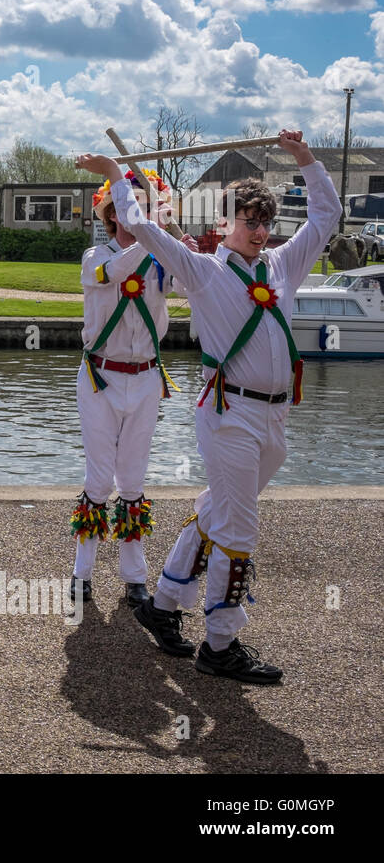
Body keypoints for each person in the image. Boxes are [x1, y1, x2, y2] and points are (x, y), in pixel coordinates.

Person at [76, 129, 337, 683]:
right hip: (228, 414)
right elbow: (143, 228)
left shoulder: (284, 266)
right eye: (249, 221)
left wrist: (305, 159)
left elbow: (326, 218)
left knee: (218, 509)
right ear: (224, 225)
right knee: (240, 529)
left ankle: (165, 601)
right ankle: (221, 643)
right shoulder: (202, 271)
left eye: (265, 222)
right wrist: (119, 174)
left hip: (274, 418)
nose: (261, 232)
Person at [70, 169, 195, 606]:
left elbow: (197, 289)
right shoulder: (94, 257)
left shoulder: (164, 260)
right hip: (99, 379)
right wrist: (155, 234)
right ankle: (82, 573)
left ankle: (134, 578)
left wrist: (189, 258)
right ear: (113, 213)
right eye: (129, 206)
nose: (135, 213)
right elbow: (116, 272)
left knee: (135, 480)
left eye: (142, 206)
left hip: (145, 378)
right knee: (99, 477)